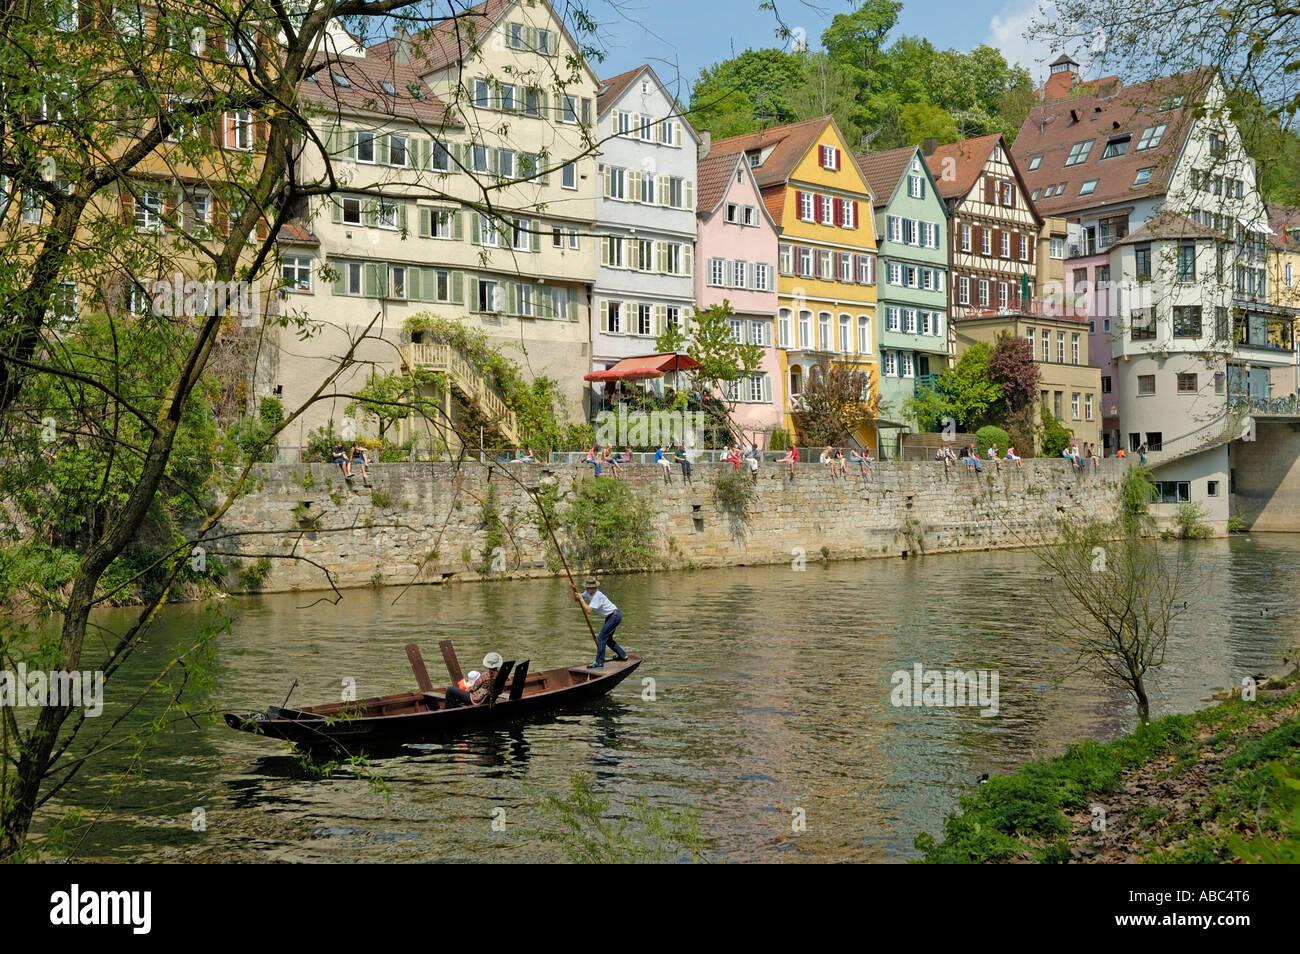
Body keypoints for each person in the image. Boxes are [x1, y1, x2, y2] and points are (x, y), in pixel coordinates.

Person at [573, 578, 628, 669]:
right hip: (610, 617)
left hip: (614, 616)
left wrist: (581, 599)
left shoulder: (597, 595)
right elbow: (576, 599)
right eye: (586, 588)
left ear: (594, 588)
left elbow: (588, 610)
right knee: (608, 640)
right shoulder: (588, 592)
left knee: (601, 638)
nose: (586, 589)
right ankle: (623, 655)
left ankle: (599, 662)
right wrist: (574, 590)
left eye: (589, 588)